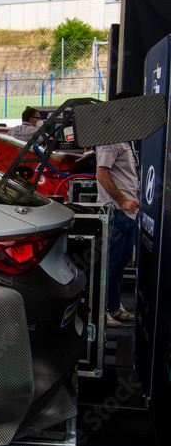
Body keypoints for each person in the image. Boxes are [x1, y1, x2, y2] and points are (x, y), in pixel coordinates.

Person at [95, 138, 139, 328]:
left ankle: (113, 307)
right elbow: (101, 175)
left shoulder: (127, 142)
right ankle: (102, 311)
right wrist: (123, 201)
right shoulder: (110, 141)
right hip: (117, 211)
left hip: (128, 213)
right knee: (110, 263)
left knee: (122, 260)